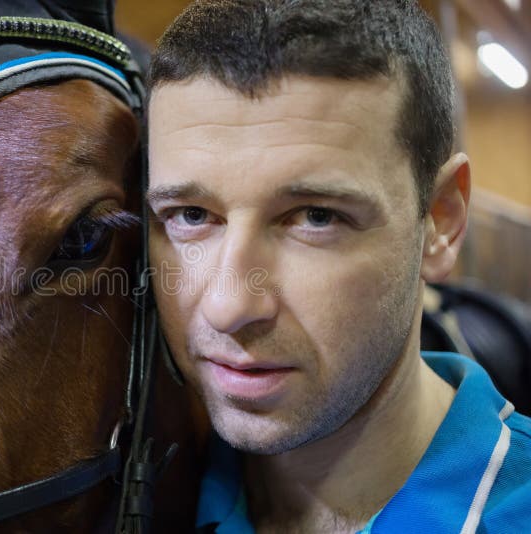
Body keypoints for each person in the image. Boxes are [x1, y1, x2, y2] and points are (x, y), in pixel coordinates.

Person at [145, 1, 531, 532]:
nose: (228, 306)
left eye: (316, 217)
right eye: (191, 216)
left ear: (440, 221)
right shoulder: (141, 499)